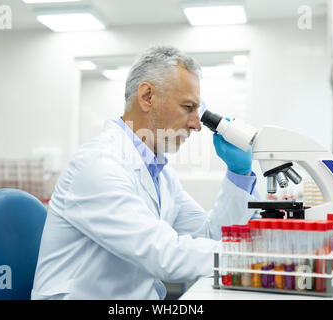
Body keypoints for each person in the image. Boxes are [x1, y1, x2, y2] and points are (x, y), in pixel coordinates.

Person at [31, 45, 259, 300]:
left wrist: (238, 173)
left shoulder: (160, 173)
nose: (196, 124)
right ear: (147, 96)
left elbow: (209, 236)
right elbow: (164, 255)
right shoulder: (98, 164)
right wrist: (253, 257)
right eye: (188, 107)